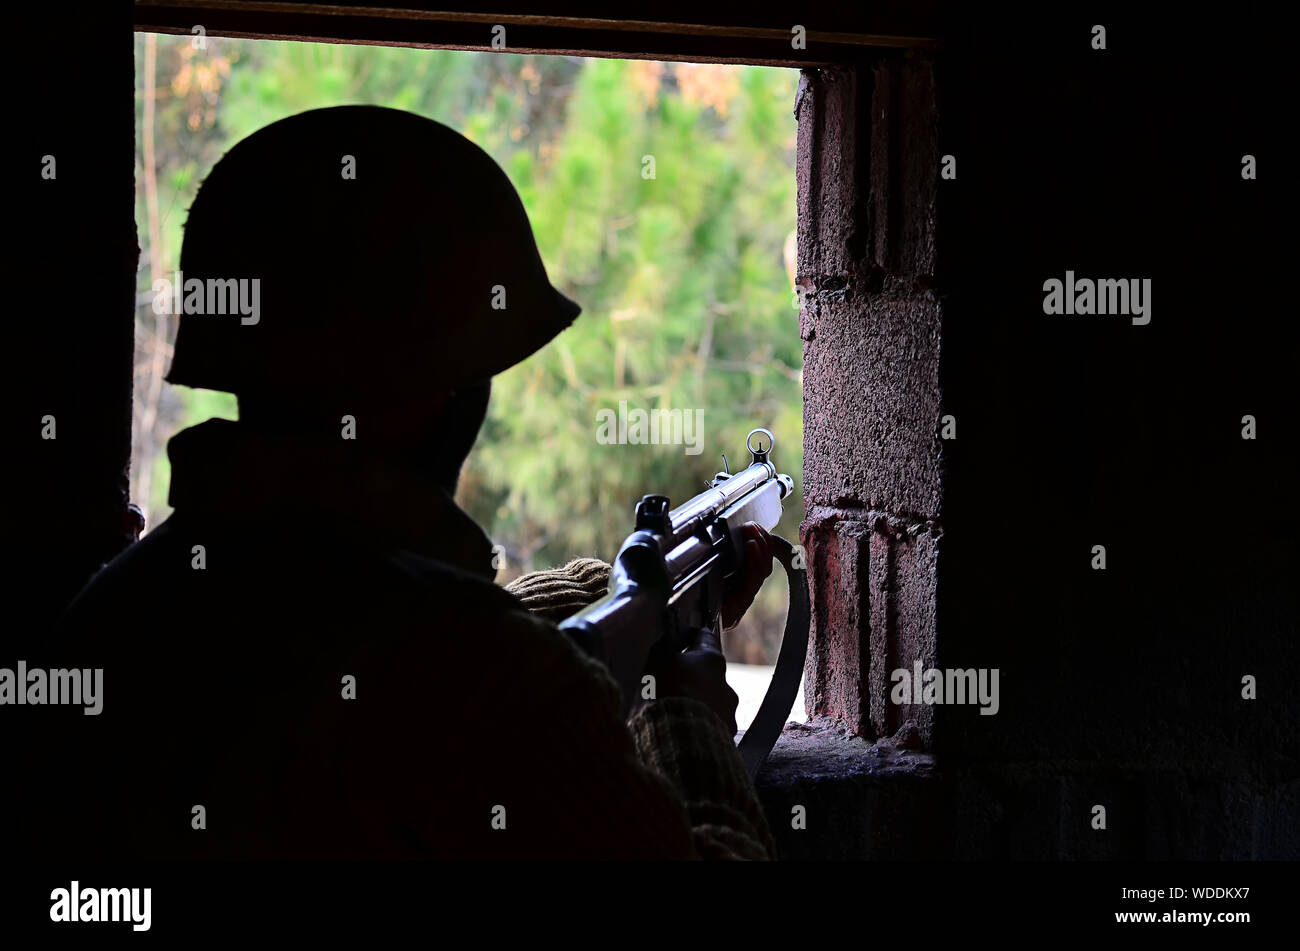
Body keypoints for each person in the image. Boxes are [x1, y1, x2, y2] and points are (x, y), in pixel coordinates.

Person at [37, 106, 777, 859]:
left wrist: (610, 590)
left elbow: (357, 618)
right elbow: (451, 667)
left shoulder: (107, 618)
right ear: (440, 390)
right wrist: (689, 721)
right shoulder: (492, 686)